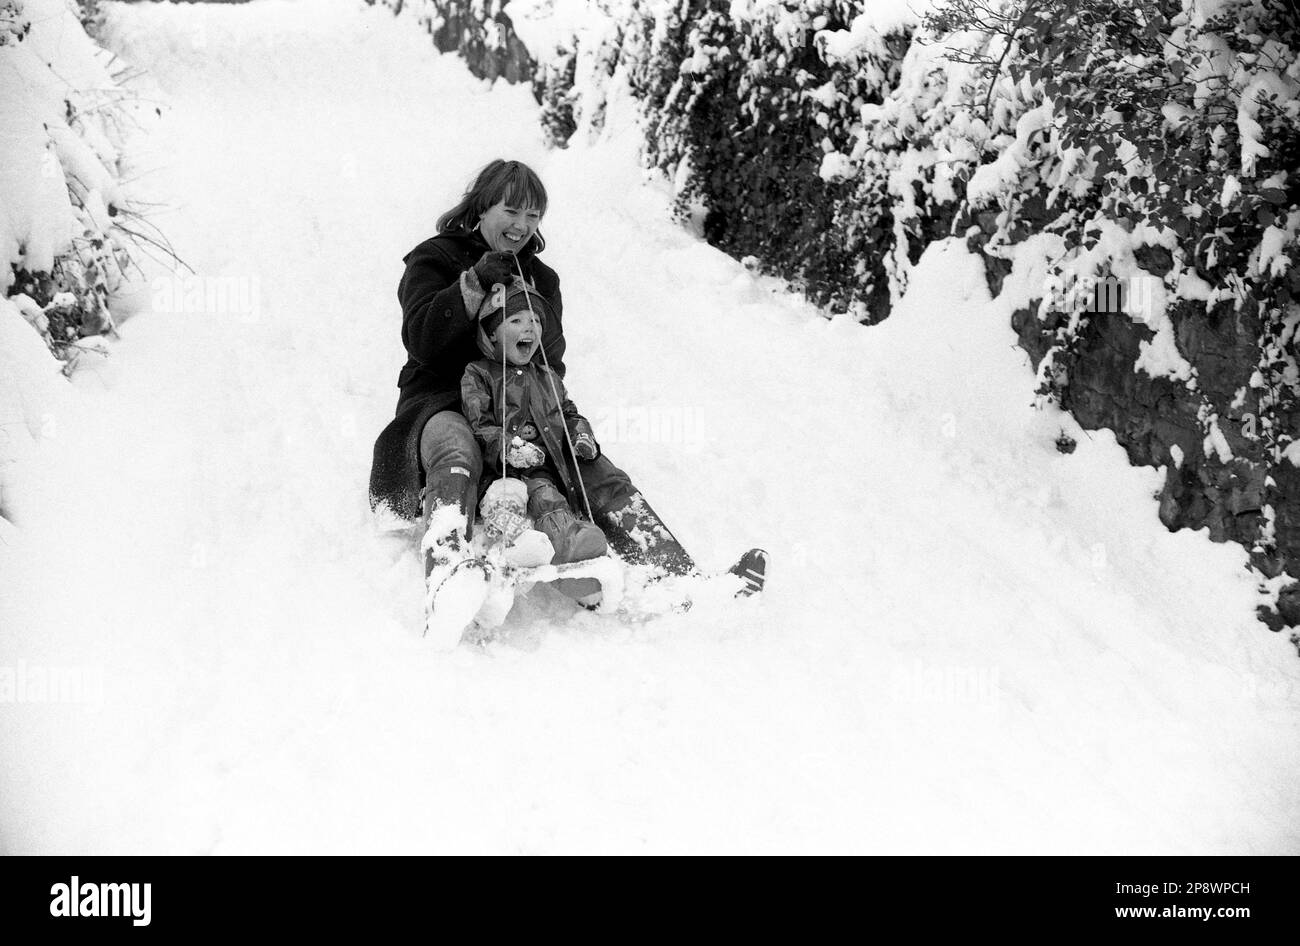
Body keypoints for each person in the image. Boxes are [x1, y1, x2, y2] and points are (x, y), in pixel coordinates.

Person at [368, 159, 696, 620]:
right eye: (512, 211)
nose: (523, 226)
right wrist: (475, 282)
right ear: (481, 208)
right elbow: (421, 338)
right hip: (441, 399)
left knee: (592, 467)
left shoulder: (542, 279)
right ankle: (447, 570)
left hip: (521, 406)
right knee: (456, 449)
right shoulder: (434, 258)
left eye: (533, 216)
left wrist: (560, 424)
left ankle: (676, 575)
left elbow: (549, 362)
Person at [462, 280, 618, 604]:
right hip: (498, 470)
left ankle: (571, 550)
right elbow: (479, 424)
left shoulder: (548, 377)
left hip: (542, 470)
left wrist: (580, 435)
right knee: (506, 498)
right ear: (491, 333)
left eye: (535, 321)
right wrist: (507, 447)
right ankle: (512, 548)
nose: (529, 328)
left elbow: (569, 412)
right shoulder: (479, 374)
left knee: (547, 497)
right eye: (516, 320)